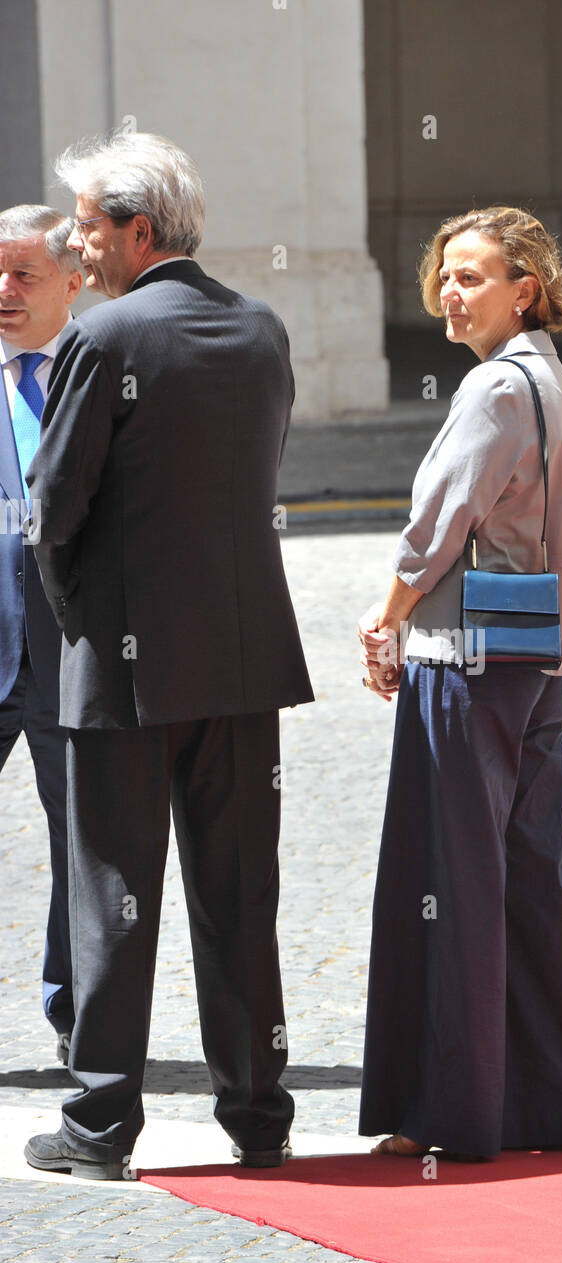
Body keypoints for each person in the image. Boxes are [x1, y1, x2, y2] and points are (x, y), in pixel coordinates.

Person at [24, 132, 313, 1181]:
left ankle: (102, 1126)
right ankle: (259, 1118)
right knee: (241, 895)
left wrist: (82, 620)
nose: (74, 240)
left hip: (124, 666)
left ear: (138, 230)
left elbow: (54, 513)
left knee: (114, 894)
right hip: (242, 664)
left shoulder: (104, 336)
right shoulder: (261, 326)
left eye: (87, 223)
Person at [357, 206, 562, 1159]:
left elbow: (437, 526)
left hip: (467, 661)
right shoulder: (551, 381)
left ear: (526, 289)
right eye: (445, 275)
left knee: (449, 886)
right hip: (536, 661)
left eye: (473, 276)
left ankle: (452, 1117)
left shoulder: (496, 391)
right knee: (533, 881)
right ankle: (548, 1102)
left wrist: (383, 618)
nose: (451, 293)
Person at [0, 206, 82, 1064]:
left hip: (74, 660)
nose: (4, 291)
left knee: (82, 850)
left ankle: (78, 1018)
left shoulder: (105, 372)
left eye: (23, 274)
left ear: (73, 280)